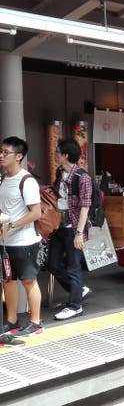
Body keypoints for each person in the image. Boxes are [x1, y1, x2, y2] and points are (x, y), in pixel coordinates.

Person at [0, 136, 44, 336]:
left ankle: (35, 322)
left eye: (5, 152)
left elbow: (36, 213)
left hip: (25, 241)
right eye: (1, 151)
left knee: (28, 281)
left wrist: (11, 224)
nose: (1, 155)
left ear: (18, 156)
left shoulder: (27, 180)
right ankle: (12, 321)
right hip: (6, 241)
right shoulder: (3, 178)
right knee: (8, 281)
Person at [50, 138, 93, 321]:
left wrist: (79, 233)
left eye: (57, 152)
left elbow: (85, 206)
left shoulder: (82, 177)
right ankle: (79, 290)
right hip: (59, 226)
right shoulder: (60, 172)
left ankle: (75, 306)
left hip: (73, 228)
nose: (55, 154)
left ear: (66, 155)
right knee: (52, 264)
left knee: (74, 268)